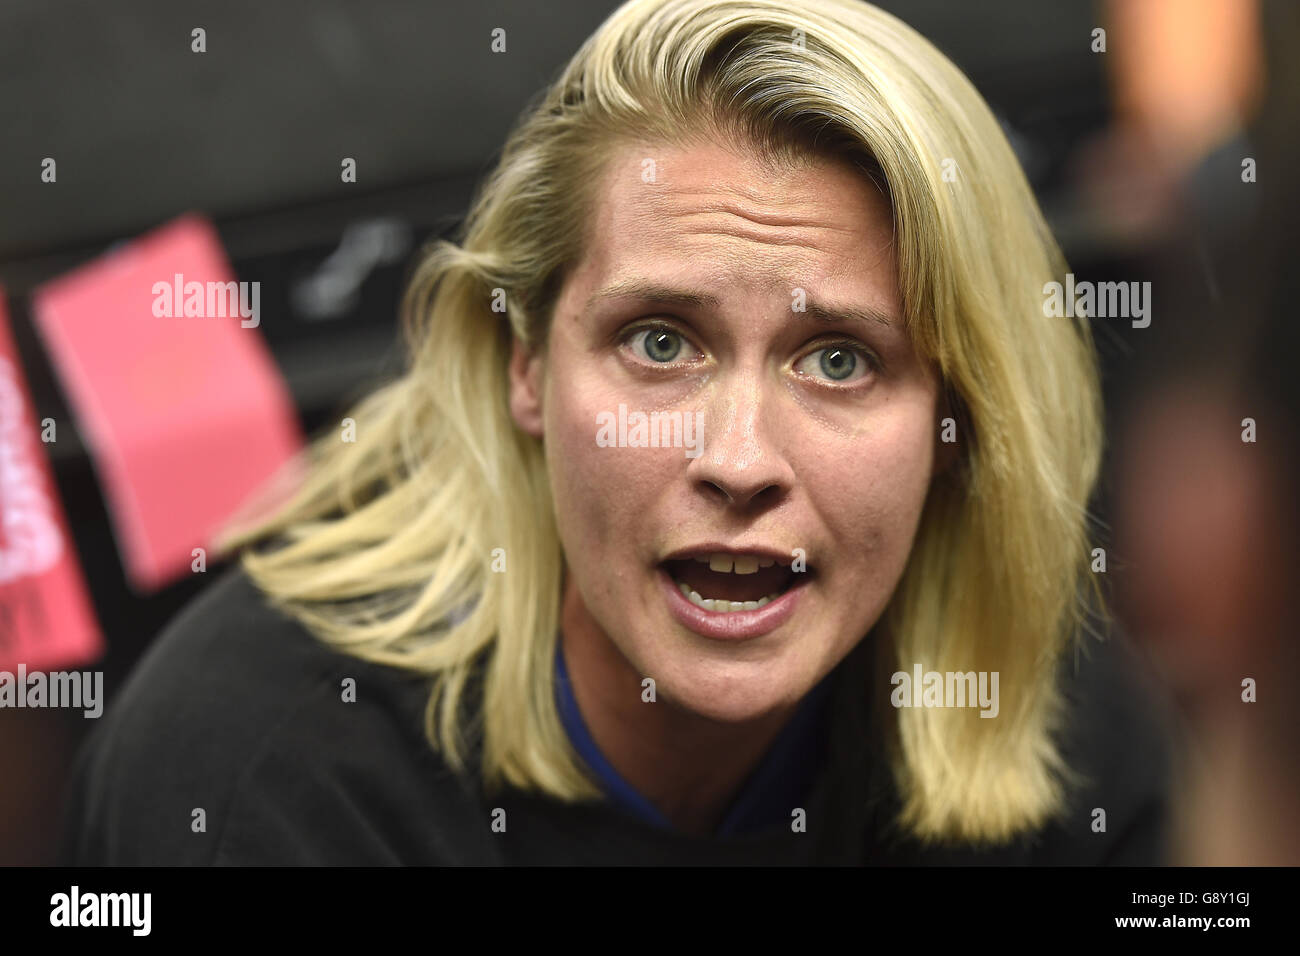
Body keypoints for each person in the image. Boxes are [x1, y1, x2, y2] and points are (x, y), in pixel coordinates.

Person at [59, 0, 1172, 865]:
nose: (738, 460)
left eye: (839, 359)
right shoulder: (263, 774)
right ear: (526, 366)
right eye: (658, 341)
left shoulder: (1052, 715)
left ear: (956, 419)